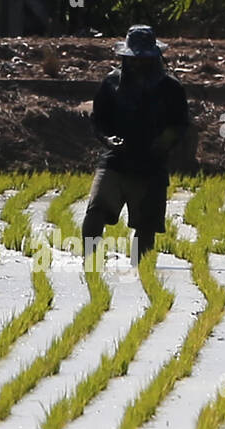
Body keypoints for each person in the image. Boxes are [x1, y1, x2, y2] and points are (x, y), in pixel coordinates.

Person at [81, 26, 190, 266]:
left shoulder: (170, 89)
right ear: (125, 58)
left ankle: (140, 271)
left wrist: (165, 141)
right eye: (133, 59)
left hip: (151, 164)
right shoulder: (111, 84)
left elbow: (181, 124)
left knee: (146, 224)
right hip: (116, 160)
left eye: (144, 59)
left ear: (155, 58)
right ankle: (89, 263)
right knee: (96, 211)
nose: (138, 64)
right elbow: (98, 120)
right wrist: (108, 140)